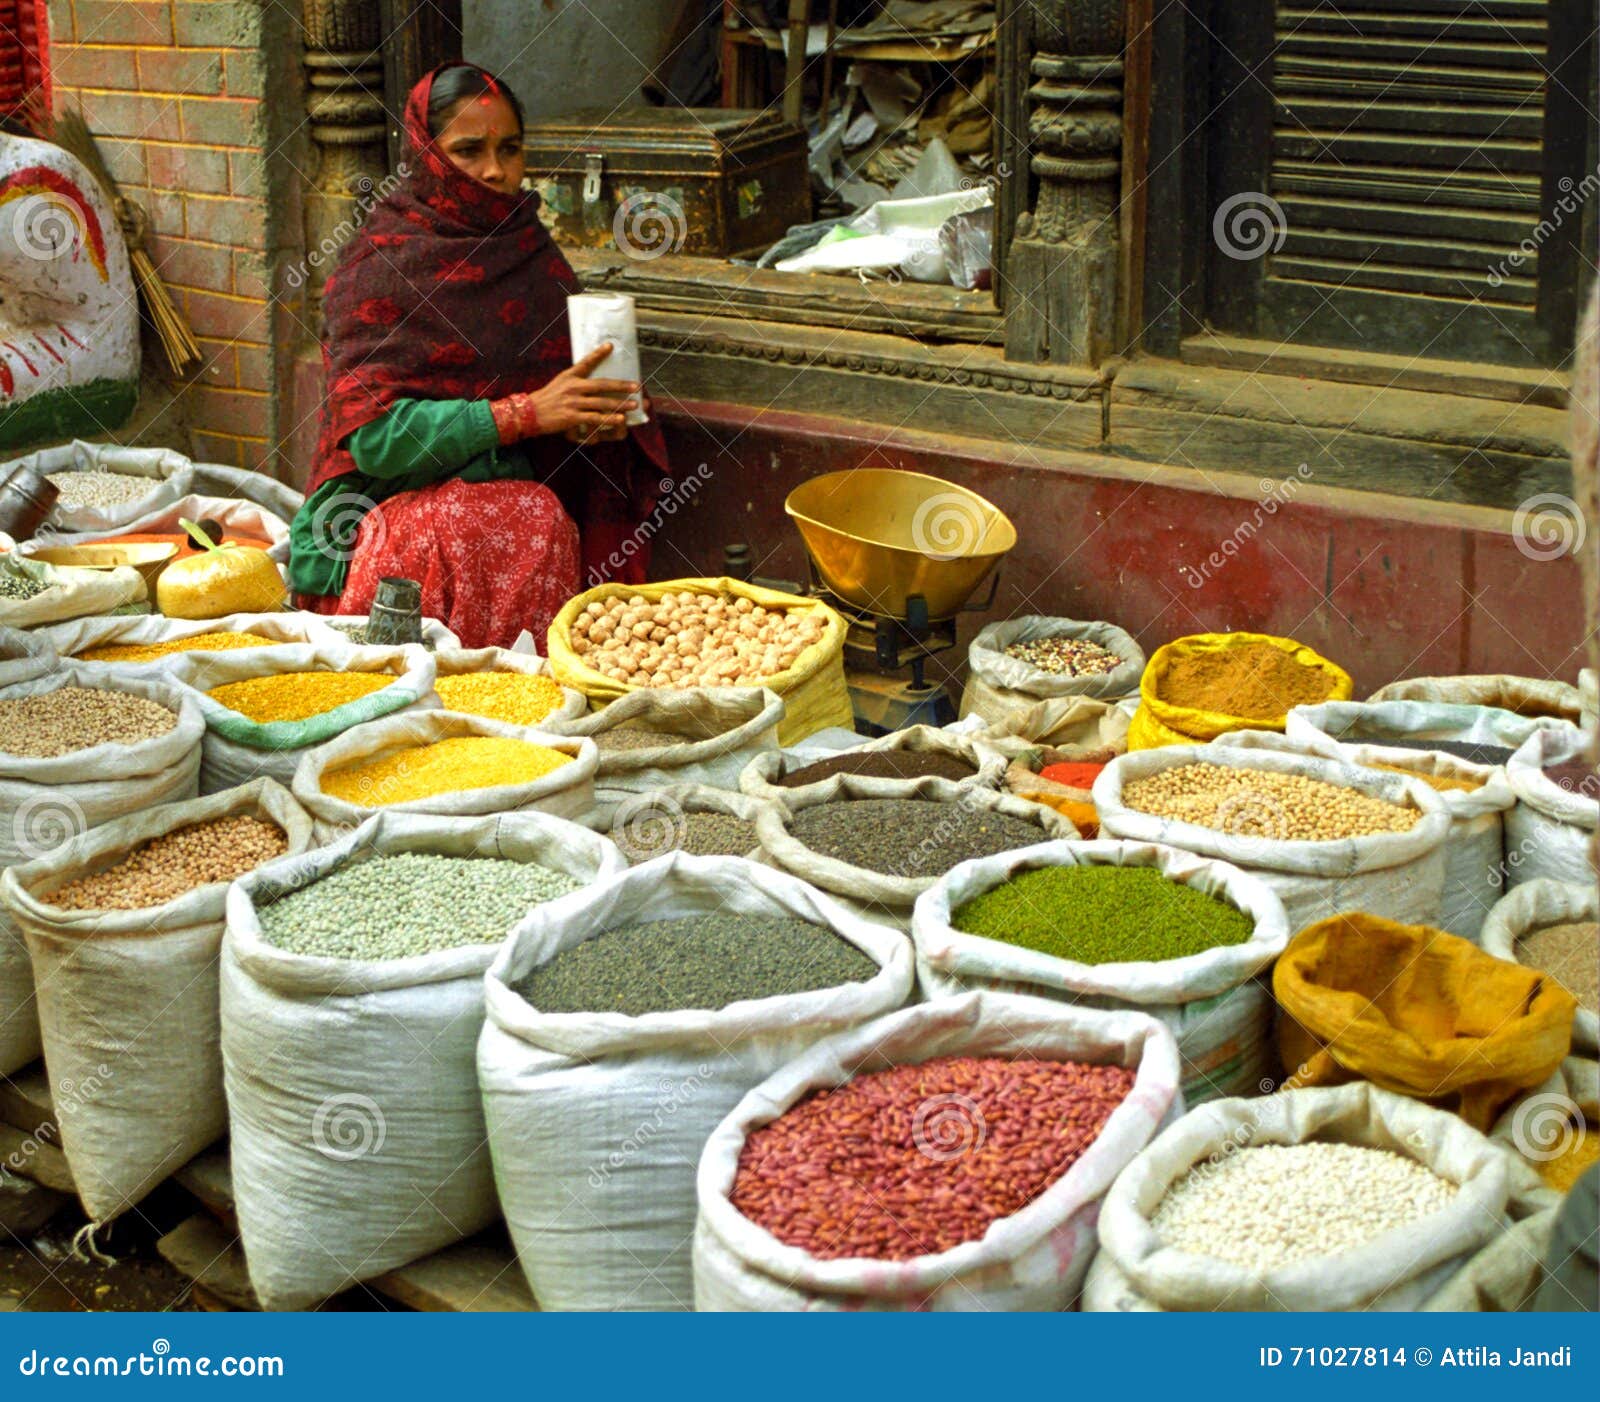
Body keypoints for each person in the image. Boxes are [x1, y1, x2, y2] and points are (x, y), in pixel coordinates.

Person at [289, 61, 669, 648]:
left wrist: (585, 423)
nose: (496, 171)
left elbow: (555, 398)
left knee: (535, 519)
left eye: (510, 149)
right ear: (428, 155)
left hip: (515, 497)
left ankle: (516, 706)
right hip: (383, 505)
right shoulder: (378, 267)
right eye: (469, 150)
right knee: (458, 525)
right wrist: (527, 414)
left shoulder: (530, 256)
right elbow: (373, 440)